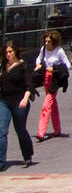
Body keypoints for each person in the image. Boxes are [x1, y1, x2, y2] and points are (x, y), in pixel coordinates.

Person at [0, 40, 35, 171]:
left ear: (15, 52)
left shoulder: (23, 66)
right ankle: (1, 163)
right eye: (6, 52)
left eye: (10, 52)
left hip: (19, 101)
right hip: (4, 101)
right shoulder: (3, 66)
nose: (8, 54)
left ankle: (27, 155)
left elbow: (29, 85)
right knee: (1, 131)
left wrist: (25, 98)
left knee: (20, 130)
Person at [34, 30, 71, 142]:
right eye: (45, 41)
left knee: (46, 105)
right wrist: (38, 64)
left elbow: (68, 65)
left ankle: (41, 132)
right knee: (52, 105)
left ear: (54, 42)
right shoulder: (43, 49)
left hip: (54, 80)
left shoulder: (59, 51)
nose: (46, 43)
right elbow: (39, 58)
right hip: (46, 78)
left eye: (49, 41)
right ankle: (57, 129)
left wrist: (54, 68)